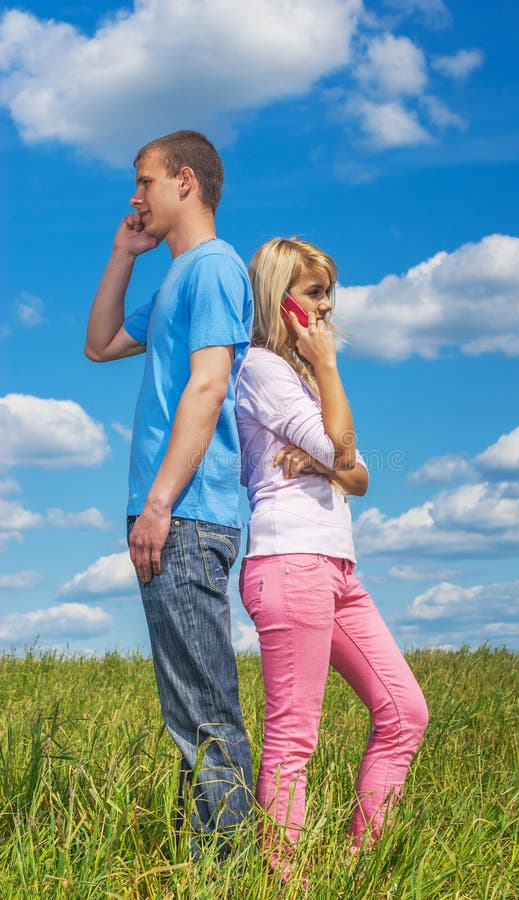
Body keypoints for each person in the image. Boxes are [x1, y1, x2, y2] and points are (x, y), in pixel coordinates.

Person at [235, 237, 429, 876]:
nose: (324, 308)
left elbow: (361, 475)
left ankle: (357, 867)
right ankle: (283, 882)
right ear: (278, 298)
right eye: (312, 293)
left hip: (336, 568)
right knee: (294, 739)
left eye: (328, 294)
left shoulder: (297, 377)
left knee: (404, 711)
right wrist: (330, 372)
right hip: (290, 560)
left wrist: (324, 456)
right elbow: (347, 456)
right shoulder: (264, 368)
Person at [85, 130, 253, 854]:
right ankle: (205, 867)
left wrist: (157, 506)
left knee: (207, 714)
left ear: (185, 181)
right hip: (167, 512)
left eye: (144, 181)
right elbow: (101, 344)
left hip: (182, 512)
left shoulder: (215, 267)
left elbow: (209, 384)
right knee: (189, 714)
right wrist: (123, 255)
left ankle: (230, 873)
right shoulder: (178, 278)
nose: (134, 196)